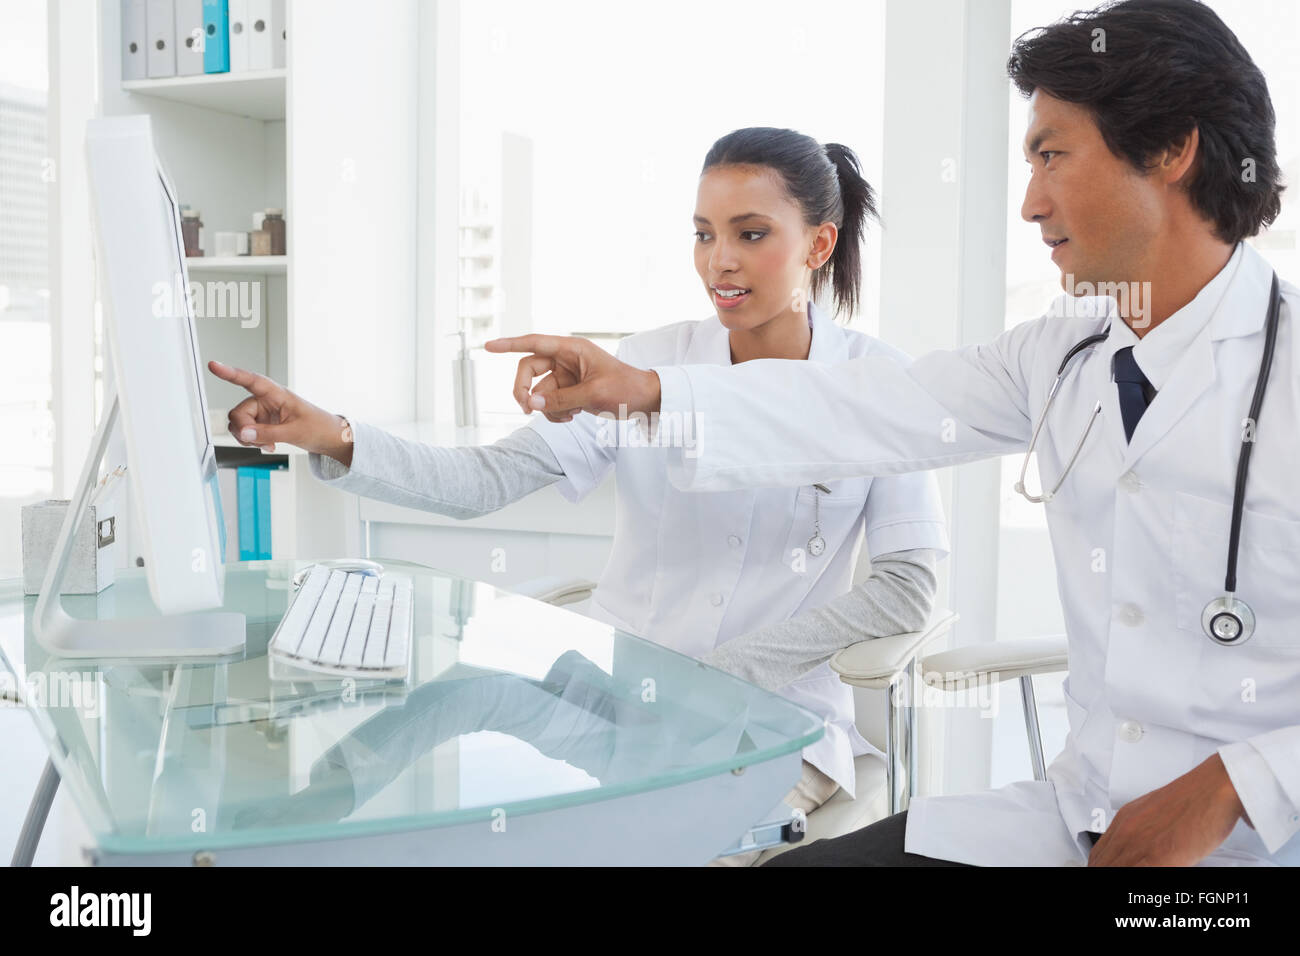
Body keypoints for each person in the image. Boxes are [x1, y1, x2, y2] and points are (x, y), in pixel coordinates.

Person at [486, 0, 1300, 866]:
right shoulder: (1062, 354)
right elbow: (864, 407)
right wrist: (644, 389)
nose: (1030, 203)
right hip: (1073, 818)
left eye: (1052, 155)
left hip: (1253, 845)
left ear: (1173, 149)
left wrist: (1234, 785)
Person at [209, 127, 950, 864]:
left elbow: (908, 589)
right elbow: (482, 481)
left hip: (769, 727)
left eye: (750, 234)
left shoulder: (876, 383)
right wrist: (330, 433)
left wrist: (733, 670)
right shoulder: (648, 362)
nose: (719, 261)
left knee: (662, 844)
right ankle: (311, 816)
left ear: (818, 245)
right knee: (463, 735)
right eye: (703, 234)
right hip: (618, 702)